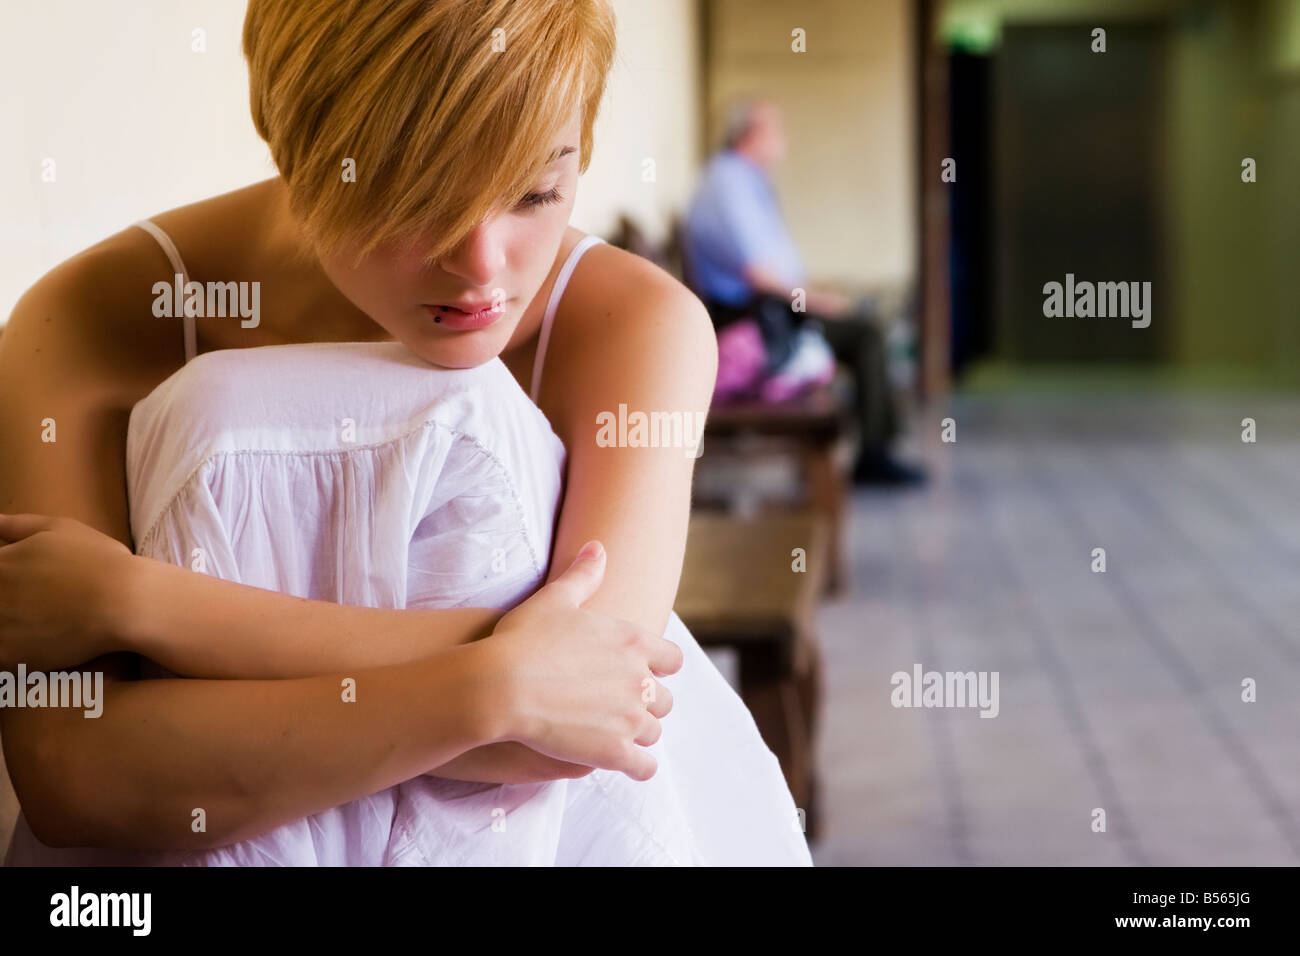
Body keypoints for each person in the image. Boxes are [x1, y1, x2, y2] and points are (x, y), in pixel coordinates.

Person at [0, 0, 810, 865]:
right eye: (419, 198)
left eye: (537, 192)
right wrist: (503, 679)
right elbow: (73, 775)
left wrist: (140, 604)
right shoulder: (91, 323)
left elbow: (590, 715)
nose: (483, 267)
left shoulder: (635, 325)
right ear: (294, 140)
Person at [683, 97, 925, 486]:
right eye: (776, 130)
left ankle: (881, 445)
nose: (783, 139)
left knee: (864, 326)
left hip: (771, 313)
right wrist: (819, 301)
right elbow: (758, 274)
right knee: (866, 334)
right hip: (754, 323)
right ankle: (875, 456)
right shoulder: (729, 181)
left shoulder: (744, 180)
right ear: (751, 134)